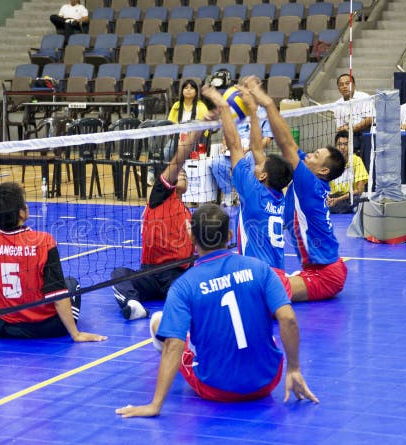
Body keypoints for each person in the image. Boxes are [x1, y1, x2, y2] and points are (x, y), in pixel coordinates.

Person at [115, 203, 318, 418]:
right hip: (267, 383)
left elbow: (173, 345)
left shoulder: (183, 286)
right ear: (229, 235)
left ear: (191, 238)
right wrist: (294, 368)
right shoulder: (260, 268)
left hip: (216, 389)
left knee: (159, 322)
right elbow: (288, 319)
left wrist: (155, 405)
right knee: (266, 334)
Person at [0, 183, 106, 343]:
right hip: (46, 328)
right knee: (71, 284)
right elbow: (57, 294)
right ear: (22, 213)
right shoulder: (44, 241)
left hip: (4, 328)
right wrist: (75, 334)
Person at [243, 76, 348, 303]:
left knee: (264, 291)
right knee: (258, 283)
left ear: (323, 171)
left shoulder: (309, 183)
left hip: (325, 275)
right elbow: (267, 152)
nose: (308, 155)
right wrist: (252, 111)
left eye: (315, 156)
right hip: (318, 267)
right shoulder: (309, 177)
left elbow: (287, 143)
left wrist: (267, 103)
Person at [110, 129, 201, 320]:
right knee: (119, 274)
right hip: (150, 273)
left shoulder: (187, 212)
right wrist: (196, 132)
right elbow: (177, 162)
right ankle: (134, 306)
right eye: (179, 173)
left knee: (194, 283)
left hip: (176, 274)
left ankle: (181, 303)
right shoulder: (159, 198)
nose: (182, 175)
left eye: (184, 174)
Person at [201, 84, 292, 269]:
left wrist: (222, 104)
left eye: (259, 166)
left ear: (262, 176)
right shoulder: (279, 197)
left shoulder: (253, 192)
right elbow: (257, 148)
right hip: (279, 274)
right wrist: (252, 110)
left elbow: (234, 145)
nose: (256, 165)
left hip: (256, 275)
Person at [209, 94, 274, 207]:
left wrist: (250, 148)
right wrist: (225, 146)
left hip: (253, 150)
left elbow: (267, 140)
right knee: (216, 163)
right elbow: (227, 132)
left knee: (251, 159)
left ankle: (248, 195)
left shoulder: (265, 113)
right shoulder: (236, 110)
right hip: (234, 150)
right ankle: (229, 193)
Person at [327, 130, 368, 214]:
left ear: (351, 146)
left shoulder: (356, 160)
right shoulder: (329, 161)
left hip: (349, 198)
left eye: (346, 144)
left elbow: (360, 189)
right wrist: (328, 198)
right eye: (339, 144)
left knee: (361, 198)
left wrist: (338, 199)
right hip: (332, 198)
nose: (342, 147)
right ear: (335, 146)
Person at [333, 74, 375, 146]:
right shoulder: (337, 105)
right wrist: (346, 129)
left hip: (367, 130)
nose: (344, 86)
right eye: (341, 84)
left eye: (347, 83)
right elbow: (339, 128)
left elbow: (369, 119)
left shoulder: (364, 97)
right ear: (338, 88)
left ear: (354, 86)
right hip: (349, 134)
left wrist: (352, 128)